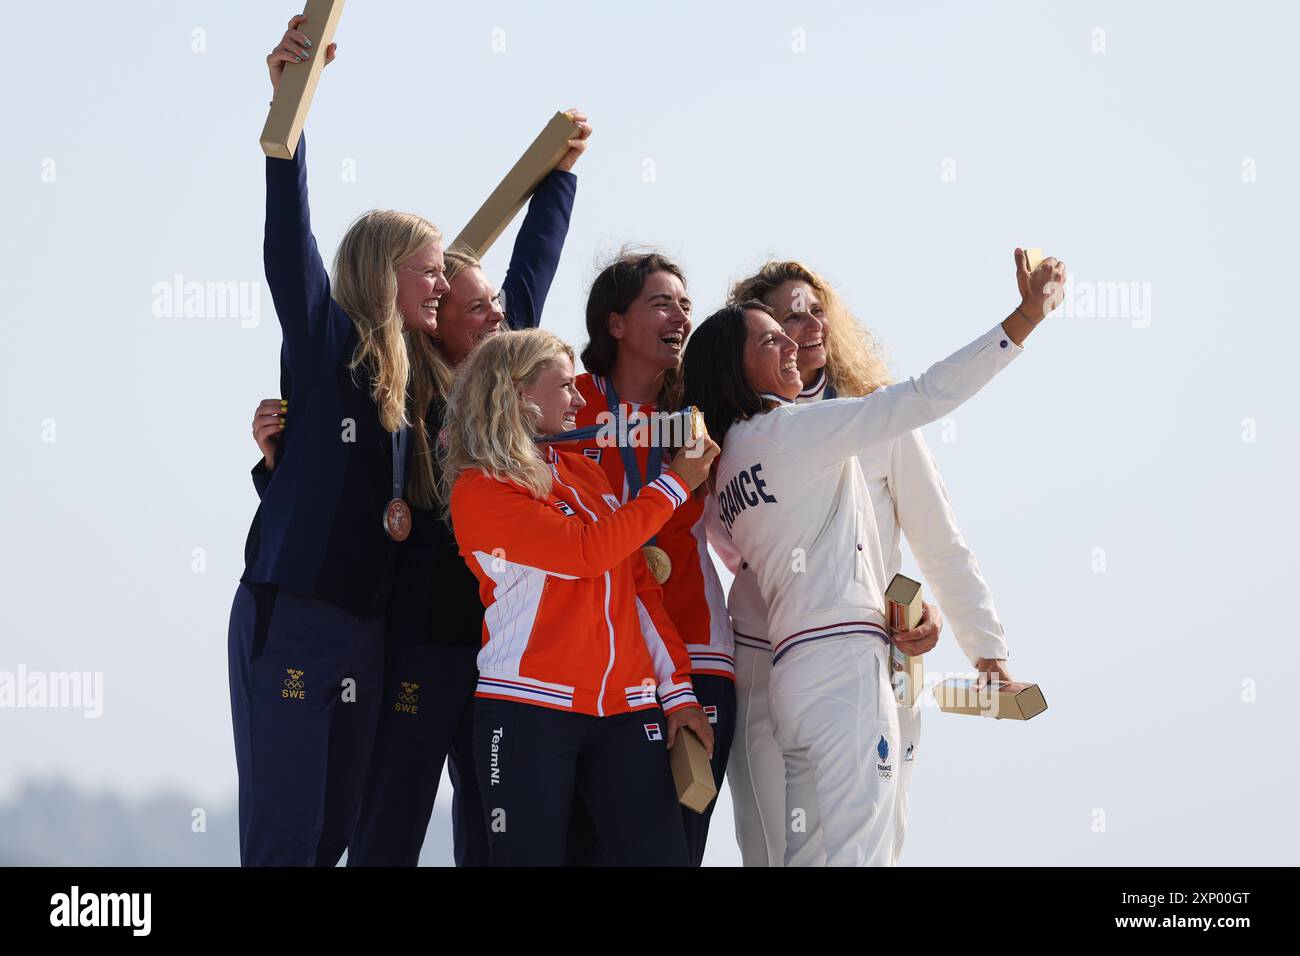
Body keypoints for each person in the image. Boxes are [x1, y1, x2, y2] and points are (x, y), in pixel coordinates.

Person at [249, 112, 592, 865]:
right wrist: (288, 131)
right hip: (380, 632)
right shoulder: (366, 362)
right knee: (340, 833)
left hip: (465, 644)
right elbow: (290, 255)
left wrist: (559, 177)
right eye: (455, 293)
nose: (493, 314)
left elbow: (528, 280)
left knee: (423, 831)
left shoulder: (495, 376)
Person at [681, 249, 1065, 866]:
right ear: (741, 359)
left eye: (813, 314)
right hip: (835, 662)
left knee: (815, 856)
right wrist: (1021, 321)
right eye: (779, 327)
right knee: (850, 854)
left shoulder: (723, 466)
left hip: (808, 672)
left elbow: (939, 544)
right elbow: (924, 395)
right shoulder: (800, 429)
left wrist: (978, 645)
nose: (802, 333)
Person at [229, 15, 448, 866]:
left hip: (367, 633)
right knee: (286, 841)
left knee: (334, 838)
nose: (442, 283)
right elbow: (291, 247)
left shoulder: (417, 384)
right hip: (296, 620)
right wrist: (290, 112)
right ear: (381, 271)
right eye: (429, 268)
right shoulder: (326, 342)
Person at [440, 328, 718, 865]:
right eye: (564, 386)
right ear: (517, 392)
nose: (577, 399)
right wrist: (674, 485)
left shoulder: (586, 473)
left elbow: (638, 588)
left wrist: (678, 693)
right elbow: (584, 553)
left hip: (626, 706)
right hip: (527, 708)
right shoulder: (481, 488)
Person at [563, 251, 736, 866]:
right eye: (662, 302)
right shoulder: (569, 403)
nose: (680, 316)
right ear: (614, 323)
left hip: (697, 647)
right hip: (598, 656)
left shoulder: (701, 416)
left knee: (677, 848)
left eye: (686, 305)